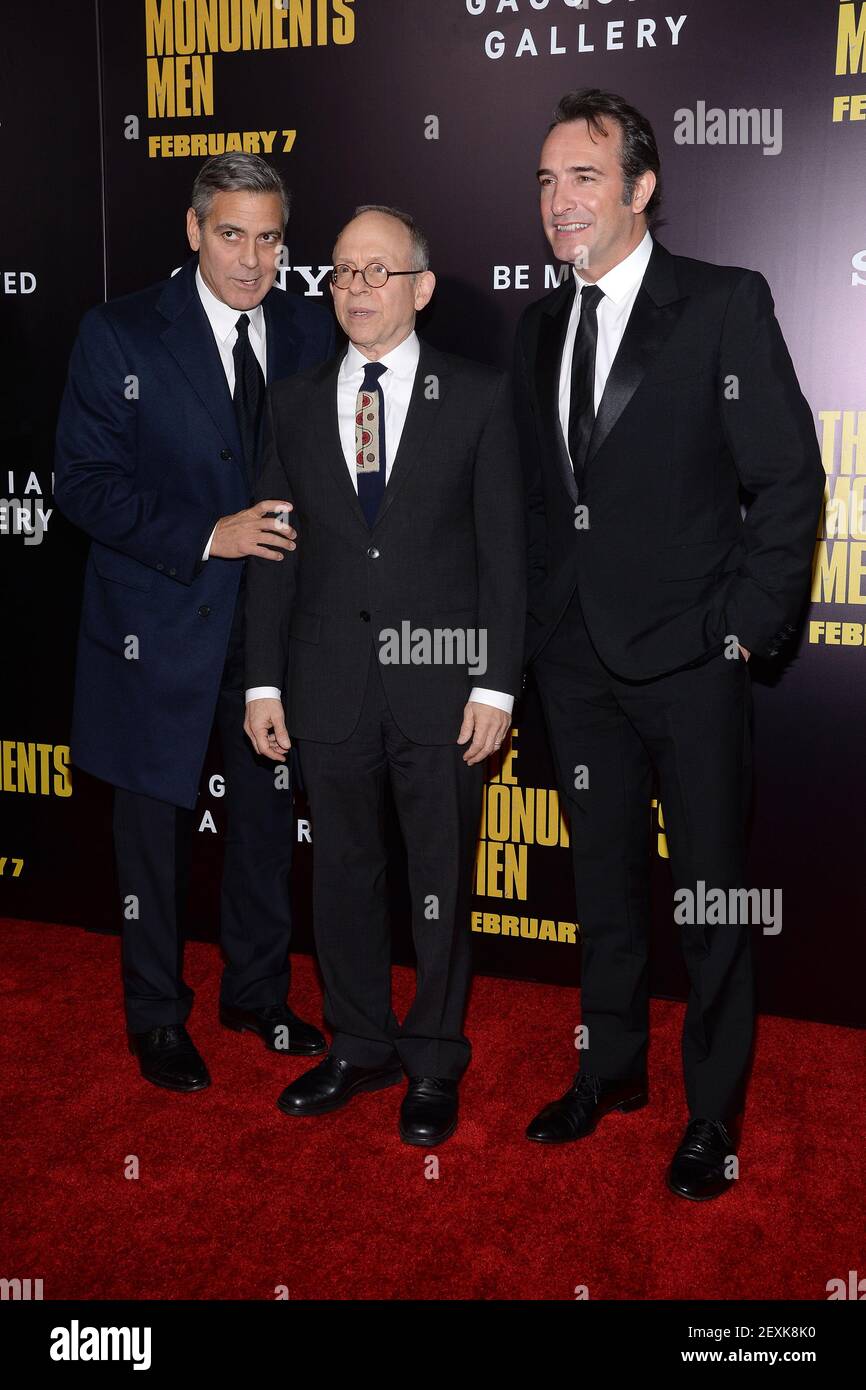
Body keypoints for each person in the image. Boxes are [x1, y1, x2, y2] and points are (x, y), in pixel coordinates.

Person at [514, 90, 825, 1199]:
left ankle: (710, 1112)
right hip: (573, 666)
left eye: (584, 177)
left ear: (641, 187)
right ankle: (610, 1072)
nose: (559, 202)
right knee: (601, 887)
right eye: (546, 181)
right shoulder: (542, 322)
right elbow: (539, 503)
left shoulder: (720, 304)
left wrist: (742, 630)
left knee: (707, 898)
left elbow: (787, 476)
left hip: (692, 663)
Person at [244, 206, 526, 1146]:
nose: (356, 290)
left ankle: (435, 1059)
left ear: (422, 288)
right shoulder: (290, 400)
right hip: (326, 684)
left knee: (440, 879)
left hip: (443, 690)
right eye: (342, 274)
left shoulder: (481, 397)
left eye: (377, 272)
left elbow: (506, 556)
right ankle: (359, 1045)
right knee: (345, 877)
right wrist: (262, 682)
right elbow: (274, 552)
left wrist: (495, 684)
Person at [54, 154, 334, 1092]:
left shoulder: (308, 327)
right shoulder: (121, 332)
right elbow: (84, 485)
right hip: (154, 632)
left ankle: (257, 994)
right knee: (152, 841)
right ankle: (157, 1016)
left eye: (268, 238)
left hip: (269, 638)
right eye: (230, 234)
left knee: (264, 825)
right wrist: (207, 534)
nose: (251, 260)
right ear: (192, 230)